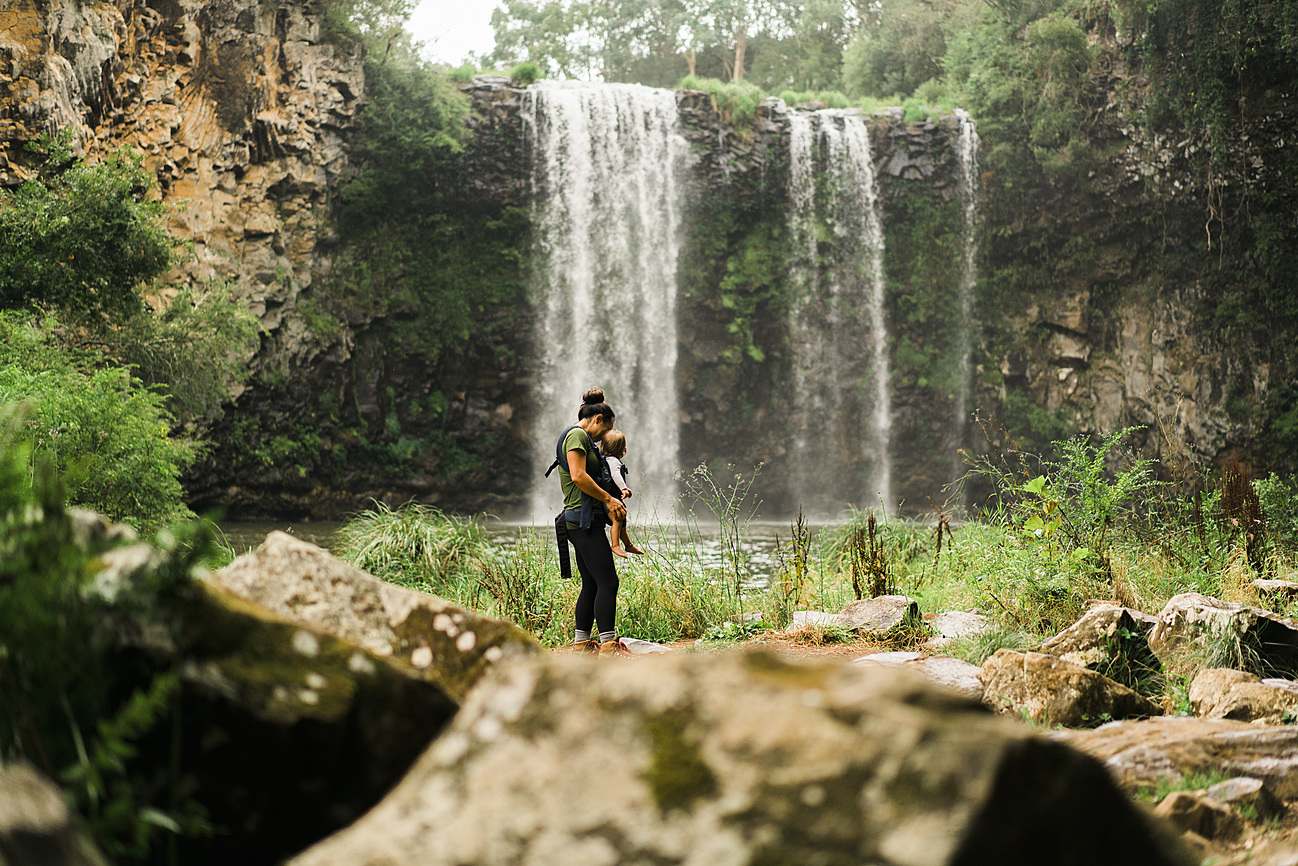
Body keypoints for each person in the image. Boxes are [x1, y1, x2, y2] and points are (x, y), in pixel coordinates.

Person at [553, 389, 633, 657]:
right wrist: (609, 499)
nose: (601, 440)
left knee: (592, 584)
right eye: (603, 432)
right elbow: (577, 475)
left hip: (580, 520)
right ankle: (609, 646)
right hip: (582, 520)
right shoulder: (577, 435)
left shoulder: (579, 436)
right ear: (597, 419)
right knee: (608, 582)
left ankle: (581, 645)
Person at [599, 429, 643, 559]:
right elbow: (615, 475)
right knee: (617, 520)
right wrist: (624, 488)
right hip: (611, 497)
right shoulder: (614, 461)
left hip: (612, 496)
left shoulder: (605, 460)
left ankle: (628, 545)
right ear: (623, 449)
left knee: (622, 519)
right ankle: (615, 545)